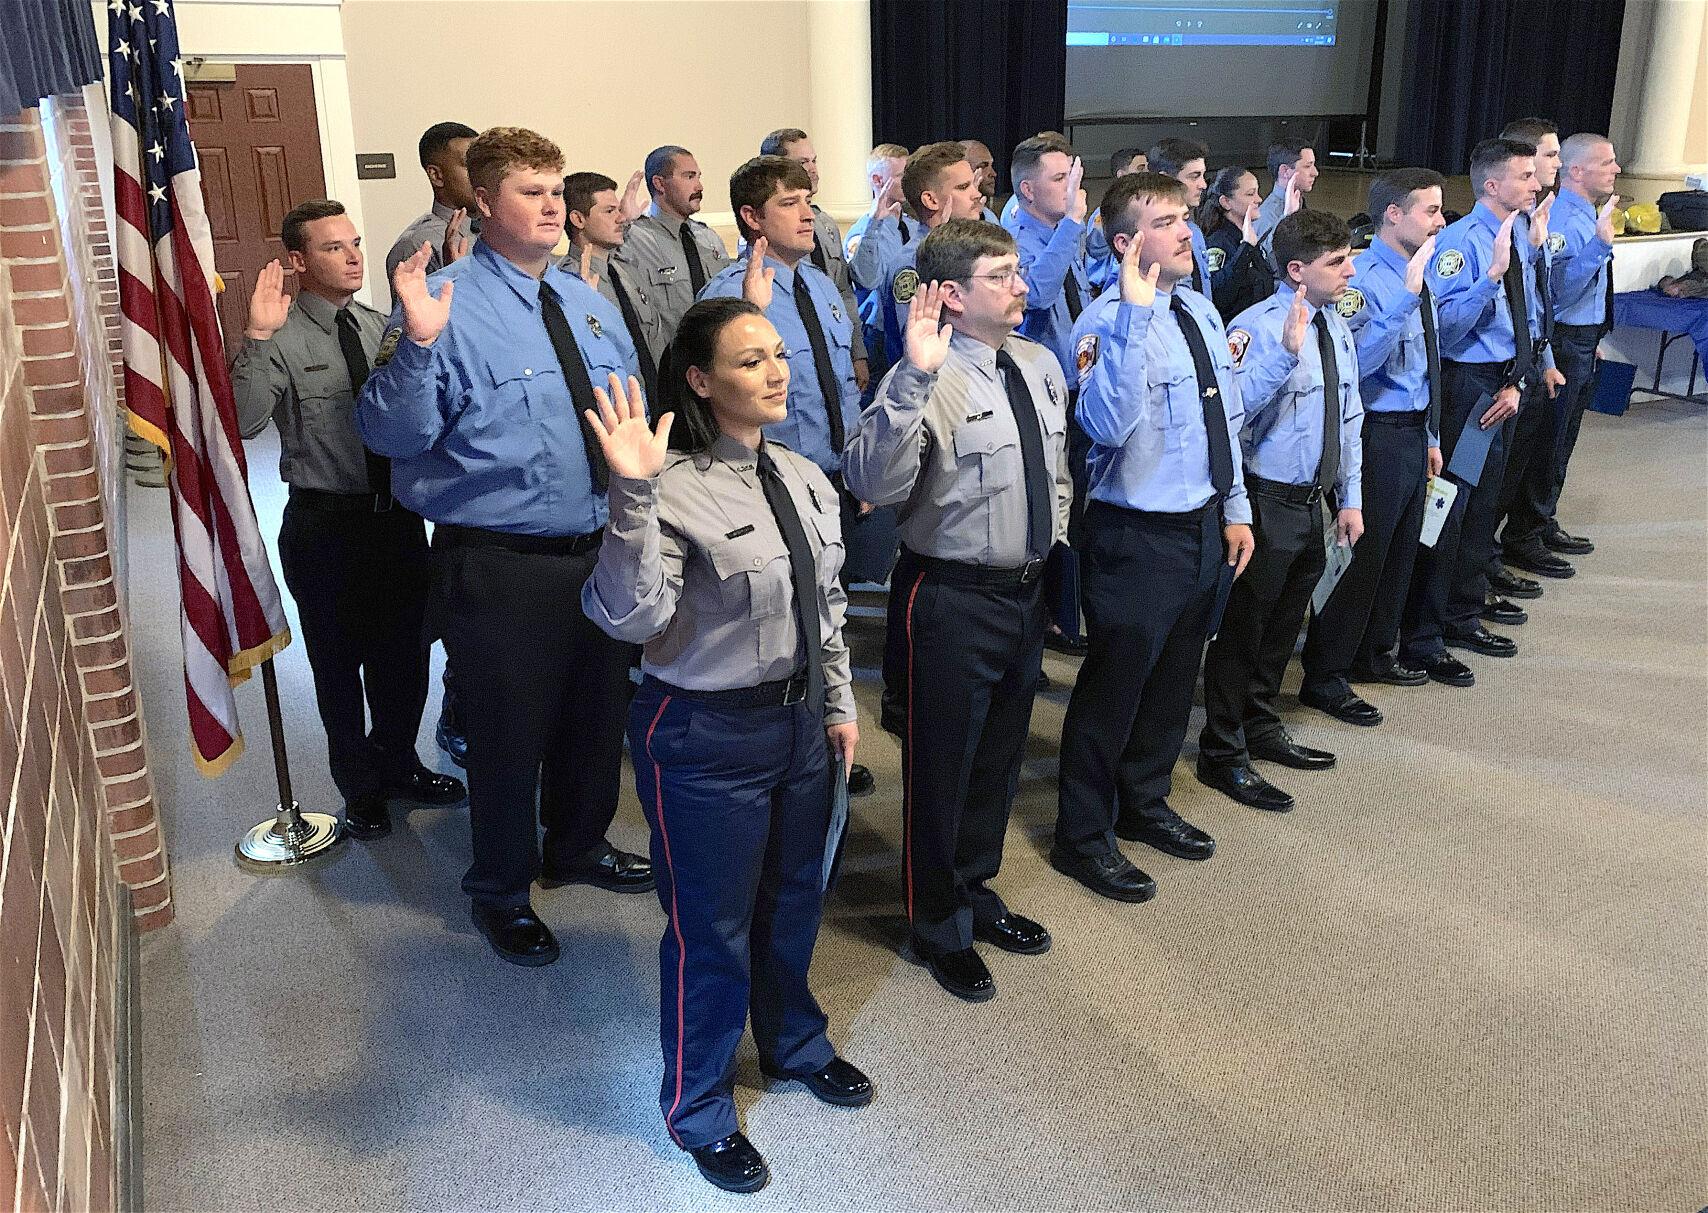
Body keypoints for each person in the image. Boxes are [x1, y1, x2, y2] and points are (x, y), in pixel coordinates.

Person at [581, 300, 871, 1195]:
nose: (777, 371)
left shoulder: (804, 475)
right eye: (751, 361)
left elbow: (826, 608)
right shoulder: (666, 485)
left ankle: (793, 1042)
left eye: (778, 354)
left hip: (799, 723)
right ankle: (698, 1104)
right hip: (705, 732)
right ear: (701, 380)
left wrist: (838, 701)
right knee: (712, 929)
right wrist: (632, 493)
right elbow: (629, 616)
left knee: (793, 899)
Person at [357, 127, 654, 967]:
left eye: (557, 191)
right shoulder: (441, 304)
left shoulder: (588, 302)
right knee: (507, 734)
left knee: (596, 717)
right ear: (484, 201)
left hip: (601, 546)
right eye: (532, 191)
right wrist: (418, 347)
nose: (553, 206)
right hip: (499, 560)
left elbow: (629, 415)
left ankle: (578, 844)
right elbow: (388, 432)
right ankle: (500, 888)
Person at [843, 220, 1072, 1003]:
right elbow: (871, 480)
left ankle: (974, 885)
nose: (1021, 286)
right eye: (1001, 275)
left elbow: (1055, 472)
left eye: (1018, 271)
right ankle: (936, 921)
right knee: (941, 767)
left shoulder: (1038, 363)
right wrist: (912, 375)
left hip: (1024, 592)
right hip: (949, 595)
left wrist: (1053, 554)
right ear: (950, 294)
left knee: (999, 757)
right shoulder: (923, 376)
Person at [233, 199, 465, 839]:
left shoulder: (379, 326)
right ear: (298, 261)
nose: (354, 256)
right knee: (338, 667)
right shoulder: (281, 335)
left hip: (396, 522)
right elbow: (245, 419)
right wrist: (256, 338)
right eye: (334, 247)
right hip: (326, 525)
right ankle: (359, 788)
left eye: (355, 243)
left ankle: (400, 763)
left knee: (405, 657)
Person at [1052, 172, 1254, 901]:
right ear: (1125, 244)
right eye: (1165, 222)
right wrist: (1136, 318)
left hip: (1200, 522)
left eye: (1185, 217)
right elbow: (1106, 427)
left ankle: (1143, 801)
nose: (1186, 232)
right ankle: (1082, 836)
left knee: (1173, 679)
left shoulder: (1199, 308)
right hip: (1134, 533)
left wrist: (1235, 506)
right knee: (1115, 688)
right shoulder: (1104, 322)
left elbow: (1223, 417)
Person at [698, 155, 875, 797]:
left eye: (809, 201)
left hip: (829, 478)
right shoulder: (729, 296)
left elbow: (841, 387)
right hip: (768, 486)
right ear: (752, 218)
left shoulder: (822, 287)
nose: (808, 214)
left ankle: (826, 740)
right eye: (789, 203)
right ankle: (788, 755)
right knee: (781, 625)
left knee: (828, 616)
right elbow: (720, 402)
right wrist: (751, 310)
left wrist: (858, 469)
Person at [1196, 211, 1363, 814]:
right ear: (1296, 270)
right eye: (1336, 262)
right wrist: (1285, 357)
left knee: (1284, 623)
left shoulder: (1334, 324)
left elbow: (1349, 415)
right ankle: (1223, 750)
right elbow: (1228, 416)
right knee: (1244, 631)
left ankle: (1261, 724)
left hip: (1312, 499)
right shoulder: (1256, 328)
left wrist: (1351, 497)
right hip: (1264, 500)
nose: (1350, 271)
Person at [1299, 169, 1447, 724]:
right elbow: (1355, 366)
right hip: (1374, 431)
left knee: (1400, 551)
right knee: (1360, 558)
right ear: (1393, 214)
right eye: (1430, 210)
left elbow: (1426, 363)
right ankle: (1326, 674)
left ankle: (1374, 653)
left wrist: (1430, 434)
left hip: (1411, 428)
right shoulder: (1362, 280)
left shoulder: (1418, 269)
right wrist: (1405, 300)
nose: (1439, 221)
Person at [1399, 137, 1543, 686]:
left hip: (1503, 385)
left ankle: (1462, 614)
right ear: (1492, 184)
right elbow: (1444, 333)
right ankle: (1424, 636)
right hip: (1467, 387)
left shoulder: (1517, 232)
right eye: (1525, 176)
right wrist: (1488, 281)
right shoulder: (1459, 244)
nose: (1536, 184)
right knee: (1450, 512)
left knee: (1482, 510)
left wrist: (1518, 380)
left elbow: (1524, 317)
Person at [383, 120, 480, 764]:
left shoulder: (494, 232)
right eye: (467, 163)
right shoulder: (419, 242)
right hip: (455, 446)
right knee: (464, 608)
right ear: (437, 174)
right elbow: (405, 346)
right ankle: (458, 714)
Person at [1003, 133, 1091, 655]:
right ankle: (1050, 618)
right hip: (1044, 394)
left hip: (1078, 387)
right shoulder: (1017, 242)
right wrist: (1074, 227)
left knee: (1075, 504)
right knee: (1052, 505)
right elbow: (1036, 296)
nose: (1072, 189)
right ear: (1028, 191)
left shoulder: (1062, 235)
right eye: (1060, 179)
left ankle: (1066, 610)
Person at [1534, 134, 1621, 554]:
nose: (1616, 169)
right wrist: (1600, 246)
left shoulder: (1585, 214)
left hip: (1582, 340)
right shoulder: (1563, 219)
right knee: (1549, 443)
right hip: (1564, 342)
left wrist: (1593, 335)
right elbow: (1558, 294)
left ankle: (1542, 520)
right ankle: (1526, 532)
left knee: (1563, 440)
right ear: (1578, 171)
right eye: (1607, 162)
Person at [760, 127, 870, 392]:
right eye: (802, 162)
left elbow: (843, 292)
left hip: (837, 352)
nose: (812, 170)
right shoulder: (768, 233)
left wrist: (857, 351)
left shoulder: (825, 224)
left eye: (814, 161)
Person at [561, 169, 665, 402]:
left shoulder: (625, 269)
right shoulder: (568, 283)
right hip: (616, 404)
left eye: (618, 210)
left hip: (658, 398)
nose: (620, 218)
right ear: (578, 219)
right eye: (609, 211)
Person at [615, 145, 733, 345]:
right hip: (670, 359)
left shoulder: (709, 238)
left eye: (698, 177)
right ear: (660, 184)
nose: (699, 187)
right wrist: (623, 225)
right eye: (689, 177)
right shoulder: (634, 239)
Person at [384, 121, 480, 294]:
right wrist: (453, 276)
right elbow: (411, 311)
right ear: (436, 175)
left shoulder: (498, 232)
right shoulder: (416, 245)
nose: (482, 175)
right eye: (470, 166)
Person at [845, 143, 911, 376]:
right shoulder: (862, 234)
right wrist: (874, 225)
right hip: (879, 337)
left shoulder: (911, 226)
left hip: (906, 328)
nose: (910, 181)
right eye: (902, 176)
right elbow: (868, 280)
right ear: (877, 180)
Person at [1197, 165, 1273, 321]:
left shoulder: (1247, 237)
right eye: (1250, 194)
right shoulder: (1218, 242)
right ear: (1226, 202)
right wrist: (1246, 249)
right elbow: (1218, 296)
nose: (1259, 199)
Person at [1147, 137, 1212, 294]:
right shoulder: (1147, 235)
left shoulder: (1194, 231)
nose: (1203, 185)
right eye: (1194, 176)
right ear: (1165, 179)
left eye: (1203, 176)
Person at [1086, 147, 1151, 291]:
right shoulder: (1105, 212)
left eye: (1148, 168)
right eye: (1140, 169)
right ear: (1121, 175)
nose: (1146, 173)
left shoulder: (1147, 211)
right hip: (1106, 289)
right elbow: (1095, 249)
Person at [1254, 139, 1317, 264]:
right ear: (1285, 171)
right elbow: (1268, 264)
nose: (1315, 173)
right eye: (1307, 166)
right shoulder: (1266, 216)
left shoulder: (1300, 203)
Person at [958, 137, 1002, 221]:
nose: (993, 174)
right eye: (982, 166)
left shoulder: (989, 217)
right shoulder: (940, 219)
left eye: (991, 165)